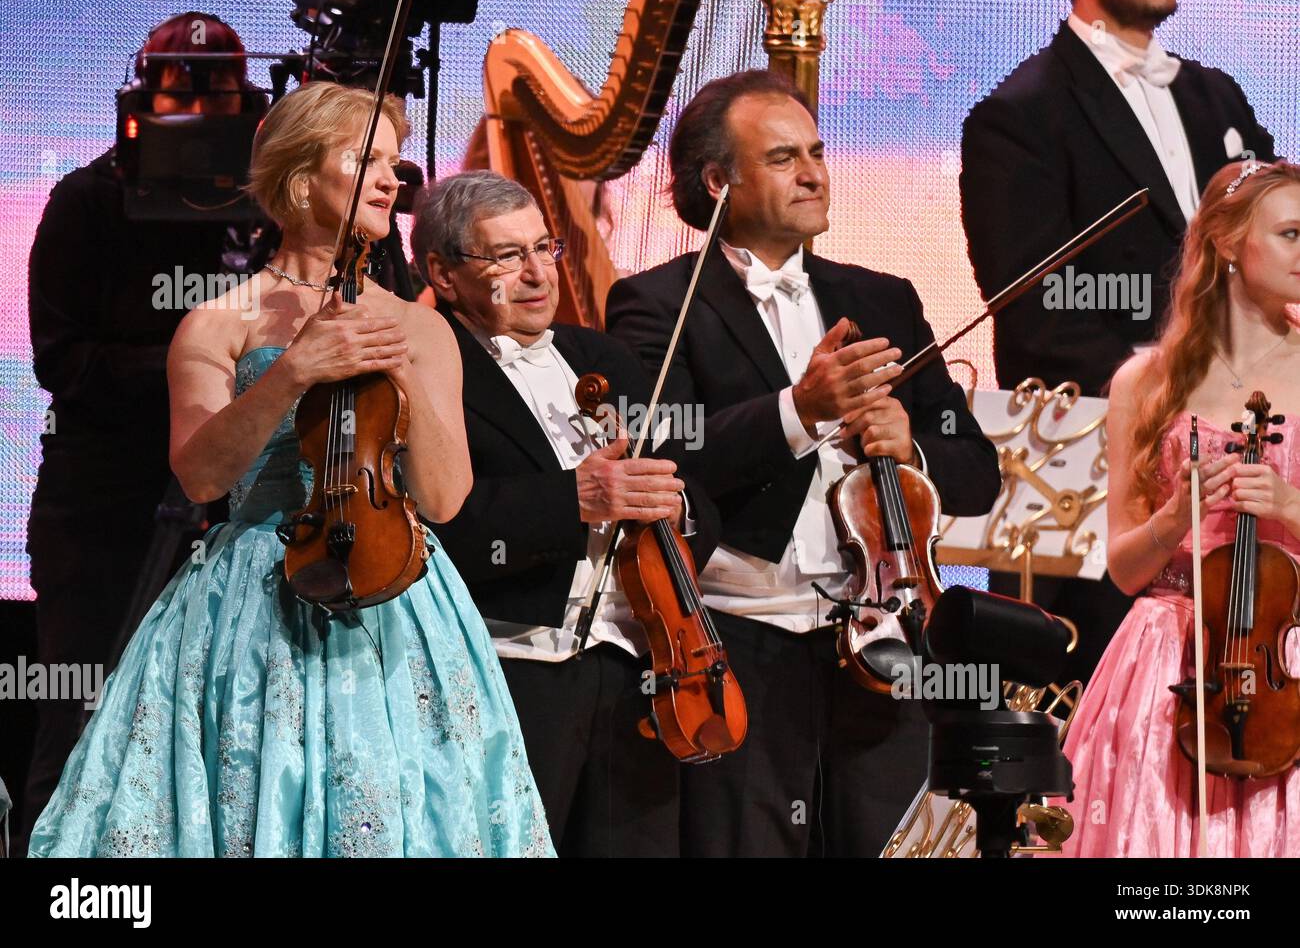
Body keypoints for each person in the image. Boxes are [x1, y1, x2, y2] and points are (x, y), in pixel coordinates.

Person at [26, 82, 552, 857]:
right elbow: (203, 477)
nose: (389, 179)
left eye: (395, 162)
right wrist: (292, 372)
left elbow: (444, 499)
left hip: (398, 592)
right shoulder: (220, 322)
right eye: (366, 159)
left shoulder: (421, 328)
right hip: (252, 600)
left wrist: (402, 369)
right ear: (303, 179)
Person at [606, 69, 1001, 857]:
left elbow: (976, 472)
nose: (816, 173)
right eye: (784, 157)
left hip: (887, 642)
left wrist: (911, 445)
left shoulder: (885, 296)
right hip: (739, 643)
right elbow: (666, 457)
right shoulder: (656, 301)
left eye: (817, 152)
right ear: (719, 181)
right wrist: (799, 411)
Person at [959, 0, 1277, 688]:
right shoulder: (1018, 116)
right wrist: (1191, 383)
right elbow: (1036, 315)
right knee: (1108, 718)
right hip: (1106, 468)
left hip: (1247, 459)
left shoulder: (1216, 94)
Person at [413, 171, 719, 856]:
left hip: (640, 671)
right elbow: (432, 526)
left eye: (543, 249)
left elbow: (696, 490)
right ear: (443, 271)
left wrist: (675, 502)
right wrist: (573, 499)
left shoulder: (603, 356)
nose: (535, 274)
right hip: (510, 673)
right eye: (504, 257)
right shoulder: (430, 365)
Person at [19, 11, 257, 856]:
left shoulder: (266, 211)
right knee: (78, 722)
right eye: (179, 86)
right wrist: (204, 357)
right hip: (104, 513)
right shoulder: (87, 202)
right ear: (141, 92)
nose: (196, 105)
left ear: (249, 100)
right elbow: (63, 360)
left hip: (239, 516)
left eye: (216, 88)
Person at [1062, 158, 1300, 858]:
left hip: (1284, 657)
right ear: (1227, 242)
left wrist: (1288, 504)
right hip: (1166, 661)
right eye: (1290, 234)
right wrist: (1172, 519)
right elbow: (1125, 571)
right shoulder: (1146, 382)